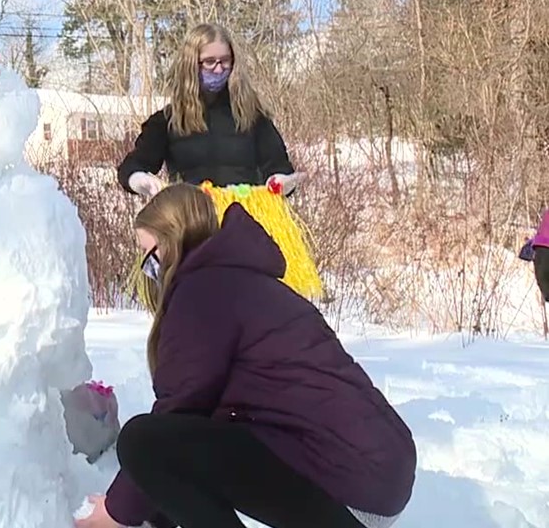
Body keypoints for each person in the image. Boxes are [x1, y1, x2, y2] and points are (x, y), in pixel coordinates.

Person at [76, 184, 416, 528]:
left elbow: (178, 408)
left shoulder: (202, 293)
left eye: (149, 259)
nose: (152, 274)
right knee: (174, 446)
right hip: (377, 474)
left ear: (170, 245)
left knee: (142, 442)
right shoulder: (243, 282)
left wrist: (117, 512)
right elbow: (192, 438)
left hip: (352, 485)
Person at [116, 23, 320, 299]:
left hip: (247, 230)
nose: (218, 69)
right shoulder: (167, 122)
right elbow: (133, 166)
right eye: (209, 62)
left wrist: (281, 182)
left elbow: (279, 168)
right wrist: (142, 181)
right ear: (192, 64)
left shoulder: (253, 118)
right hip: (193, 230)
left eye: (225, 62)